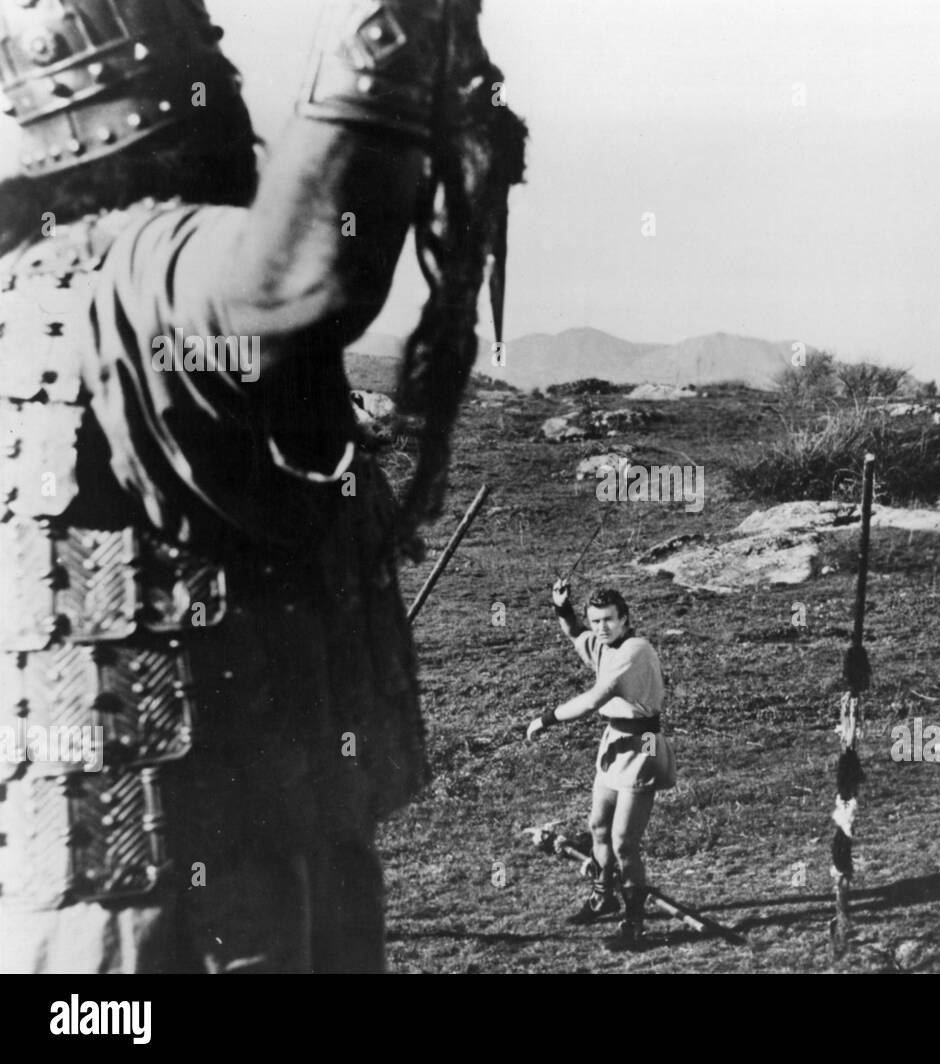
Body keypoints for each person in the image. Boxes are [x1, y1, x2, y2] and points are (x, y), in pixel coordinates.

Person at [0, 0, 519, 973]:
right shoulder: (142, 265)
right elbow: (303, 269)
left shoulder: (44, 285)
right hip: (170, 935)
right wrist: (397, 32)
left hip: (145, 912)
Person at [528, 579, 677, 951]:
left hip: (642, 743)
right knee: (598, 827)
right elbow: (576, 633)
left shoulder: (636, 649)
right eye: (596, 620)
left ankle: (634, 925)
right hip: (614, 740)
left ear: (625, 619)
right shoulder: (603, 645)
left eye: (609, 620)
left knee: (625, 842)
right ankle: (603, 896)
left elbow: (594, 698)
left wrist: (546, 718)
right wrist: (562, 607)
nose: (601, 627)